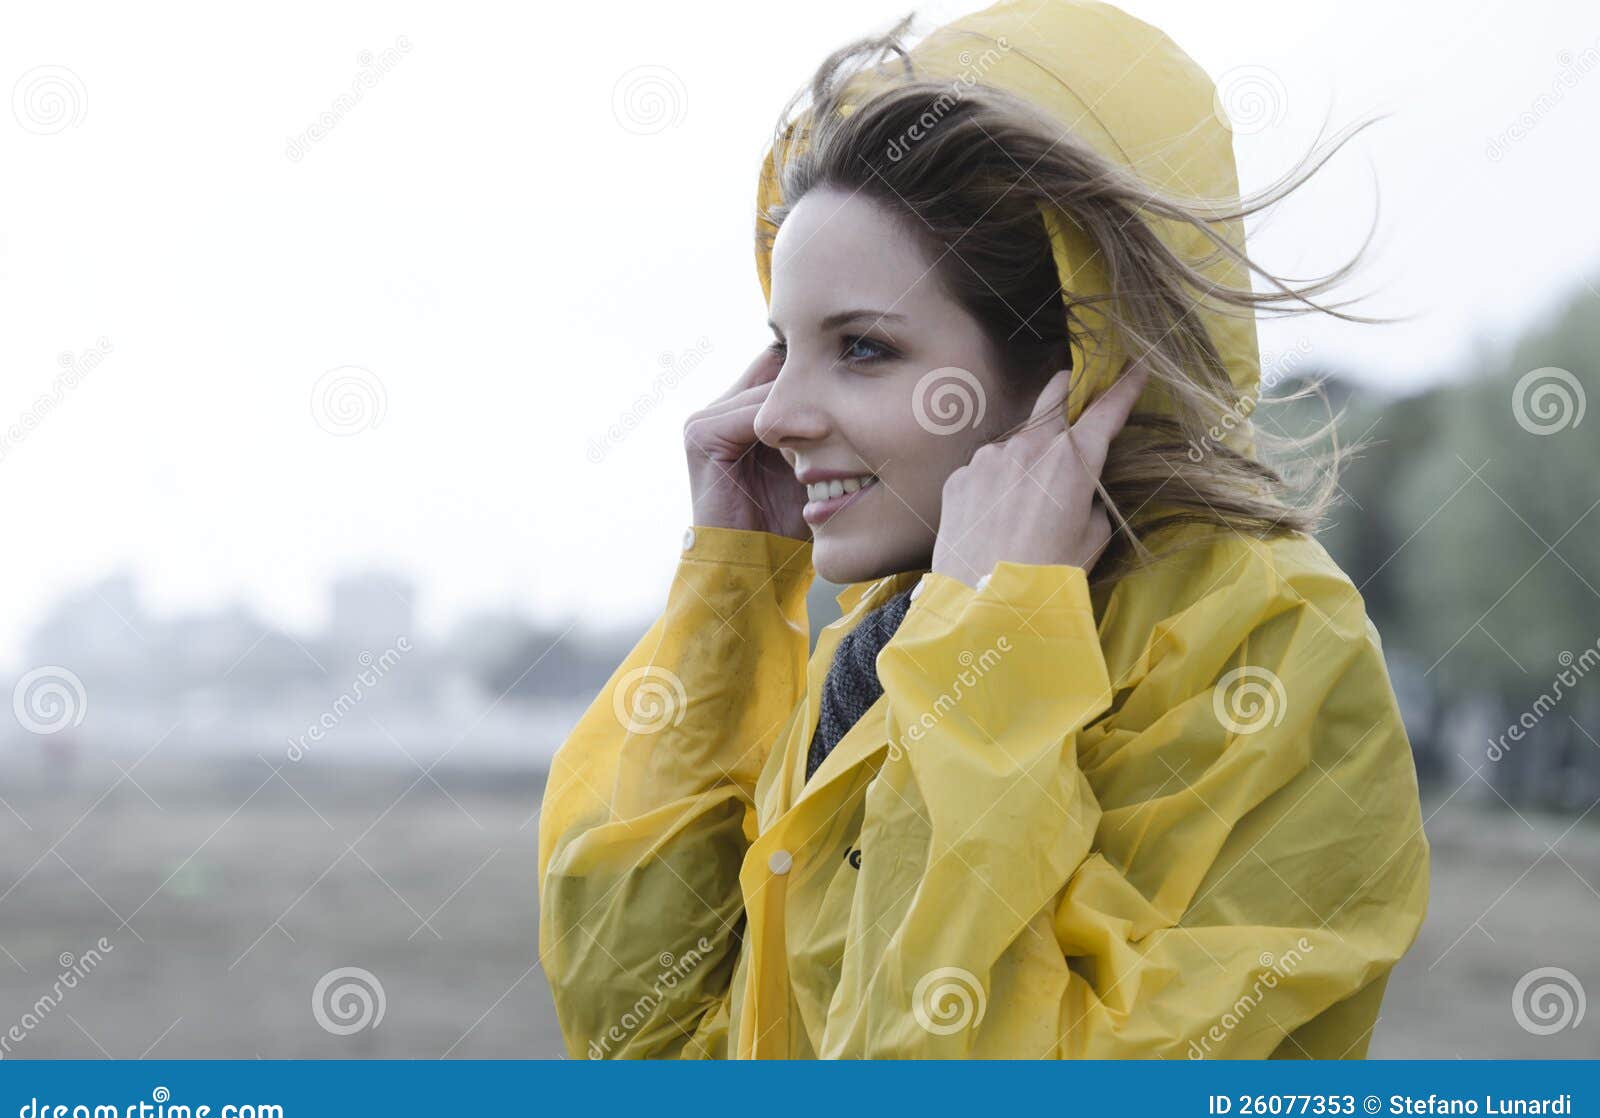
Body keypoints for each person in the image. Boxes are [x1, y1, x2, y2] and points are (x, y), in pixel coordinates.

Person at [537, 0, 1430, 1059]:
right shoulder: (883, 647)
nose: (771, 415)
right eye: (784, 346)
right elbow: (641, 1051)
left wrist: (989, 656)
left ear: (1073, 359)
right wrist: (730, 593)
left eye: (862, 348)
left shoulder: (1268, 646)